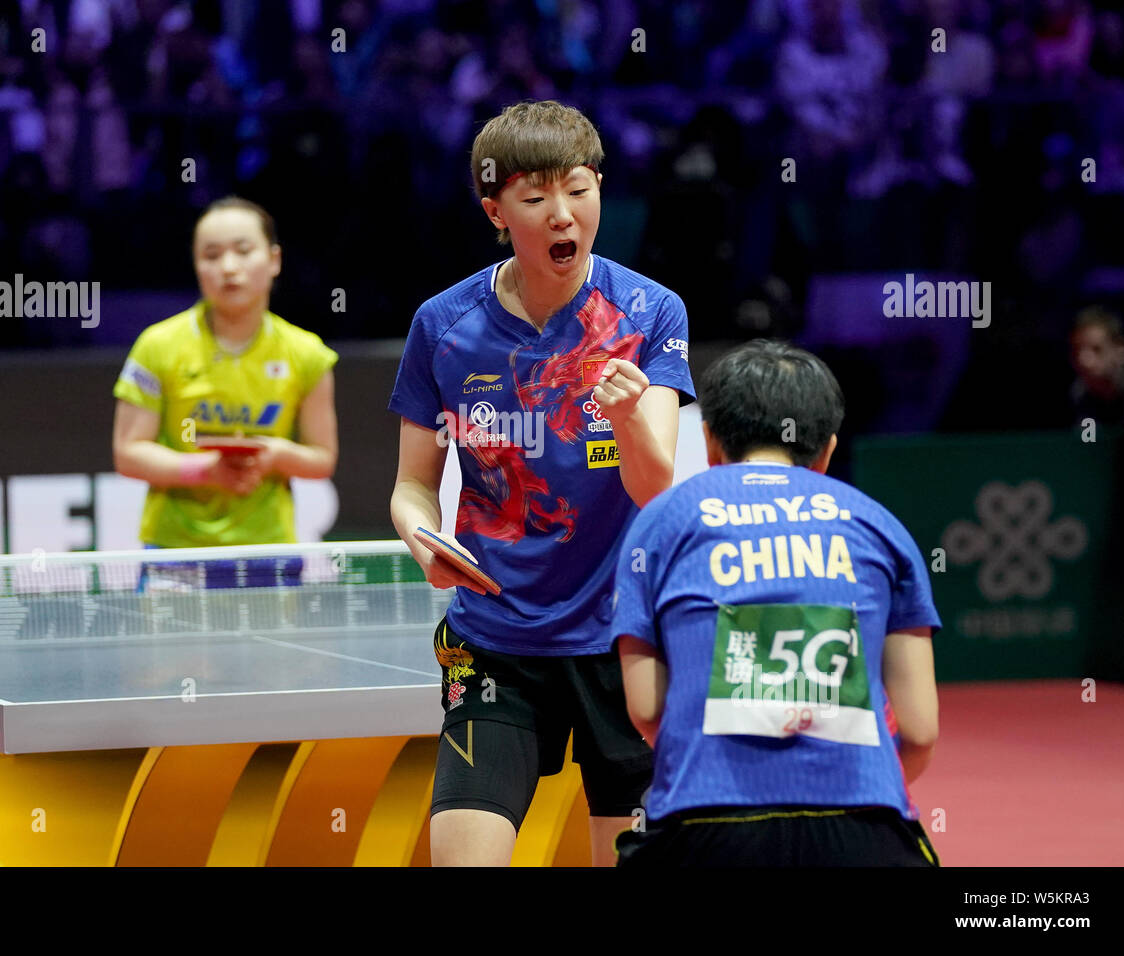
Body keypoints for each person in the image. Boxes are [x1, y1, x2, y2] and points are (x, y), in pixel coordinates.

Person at [388, 100, 696, 867]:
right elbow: (412, 486)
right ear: (495, 210)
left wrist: (627, 419)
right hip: (496, 641)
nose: (564, 216)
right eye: (536, 198)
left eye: (580, 191)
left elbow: (660, 487)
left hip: (624, 641)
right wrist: (423, 537)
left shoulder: (648, 312)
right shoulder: (443, 326)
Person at [612, 339, 941, 867]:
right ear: (828, 451)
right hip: (863, 825)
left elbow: (648, 710)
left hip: (706, 823)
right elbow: (921, 731)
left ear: (710, 441)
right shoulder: (880, 526)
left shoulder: (662, 519)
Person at [112, 196, 338, 586]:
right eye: (211, 255)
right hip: (176, 555)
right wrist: (207, 471)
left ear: (274, 260)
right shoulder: (157, 346)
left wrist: (272, 455)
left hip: (269, 554)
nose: (228, 267)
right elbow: (128, 453)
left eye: (243, 250)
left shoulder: (307, 355)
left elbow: (322, 459)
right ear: (197, 266)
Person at [1067, 306, 1124, 429]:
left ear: (1122, 349)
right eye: (1077, 350)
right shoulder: (1078, 395)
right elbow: (1087, 443)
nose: (1084, 360)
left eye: (1096, 349)